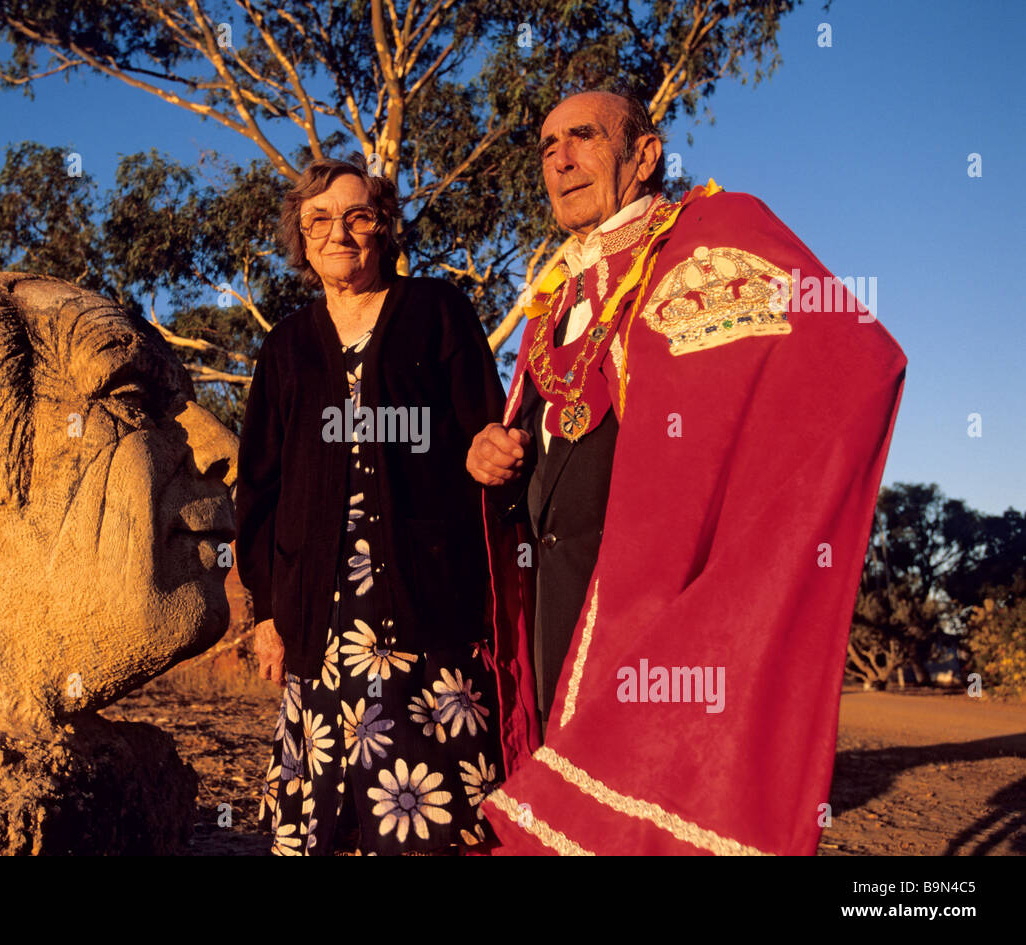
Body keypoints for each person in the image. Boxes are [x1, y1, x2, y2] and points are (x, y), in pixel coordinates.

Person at [466, 91, 906, 855]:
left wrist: (743, 506)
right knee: (564, 794)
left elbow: (854, 354)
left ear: (645, 155)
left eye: (583, 138)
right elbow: (553, 422)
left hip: (647, 583)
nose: (560, 158)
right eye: (545, 146)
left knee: (637, 797)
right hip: (550, 583)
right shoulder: (553, 296)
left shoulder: (710, 236)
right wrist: (495, 456)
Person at [236, 156, 506, 855]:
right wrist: (268, 610)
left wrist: (489, 453)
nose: (338, 233)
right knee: (325, 818)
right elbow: (260, 488)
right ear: (301, 235)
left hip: (427, 596)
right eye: (319, 219)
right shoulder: (287, 346)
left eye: (357, 216)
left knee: (436, 813)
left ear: (382, 226)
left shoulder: (438, 311)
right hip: (318, 610)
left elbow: (486, 430)